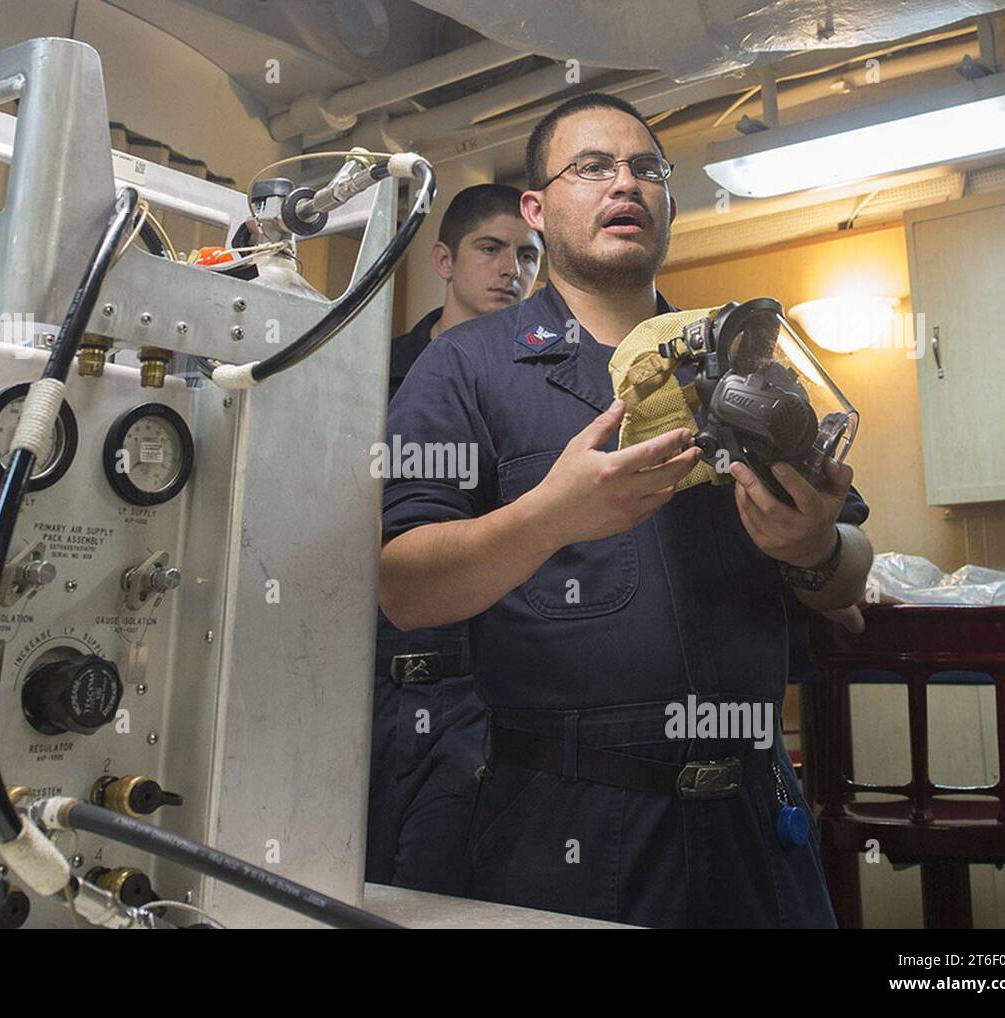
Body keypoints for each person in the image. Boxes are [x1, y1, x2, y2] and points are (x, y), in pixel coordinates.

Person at [378, 92, 873, 927]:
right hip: (566, 824)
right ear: (537, 207)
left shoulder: (743, 359)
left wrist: (817, 545)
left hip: (757, 815)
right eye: (594, 167)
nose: (627, 185)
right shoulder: (465, 366)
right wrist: (550, 518)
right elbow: (403, 588)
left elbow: (850, 586)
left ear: (670, 201)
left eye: (647, 169)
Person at [366, 184, 543, 892]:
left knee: (458, 886)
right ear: (443, 258)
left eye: (527, 255)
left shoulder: (538, 383)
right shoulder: (370, 375)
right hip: (374, 672)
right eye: (491, 249)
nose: (512, 270)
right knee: (363, 882)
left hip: (491, 682)